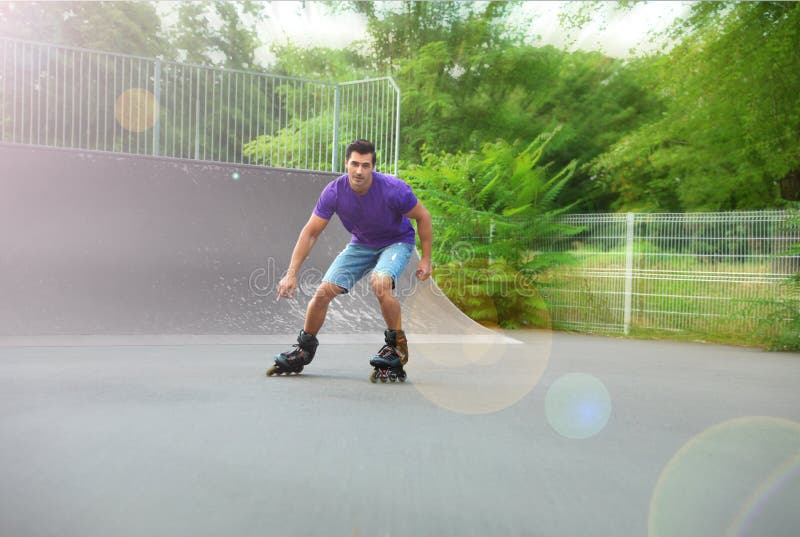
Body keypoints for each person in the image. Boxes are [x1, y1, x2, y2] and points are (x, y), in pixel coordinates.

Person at [269, 139, 433, 381]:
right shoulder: (334, 192)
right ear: (346, 163)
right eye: (354, 164)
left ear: (373, 167)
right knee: (322, 293)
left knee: (380, 282)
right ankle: (304, 349)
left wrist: (426, 259)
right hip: (362, 244)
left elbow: (422, 216)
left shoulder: (393, 189)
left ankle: (397, 347)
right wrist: (291, 272)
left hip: (396, 241)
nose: (359, 171)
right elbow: (311, 232)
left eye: (365, 166)